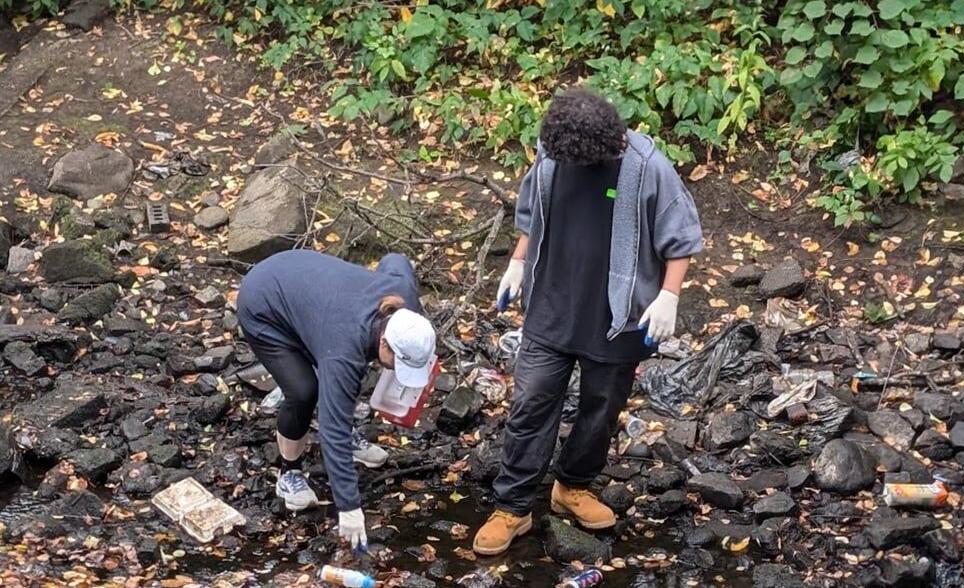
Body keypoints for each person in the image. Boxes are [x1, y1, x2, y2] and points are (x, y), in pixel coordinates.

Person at [473, 88, 704, 555]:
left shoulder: (647, 166)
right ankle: (513, 507)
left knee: (601, 409)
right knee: (531, 404)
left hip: (618, 316)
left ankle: (572, 486)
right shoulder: (553, 153)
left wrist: (669, 295)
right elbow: (532, 213)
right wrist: (517, 262)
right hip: (551, 303)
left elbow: (680, 236)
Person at [237, 250, 437, 551]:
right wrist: (349, 506)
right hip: (264, 301)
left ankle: (346, 442)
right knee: (304, 391)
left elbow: (395, 259)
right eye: (399, 363)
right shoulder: (344, 349)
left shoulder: (405, 300)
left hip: (309, 287)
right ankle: (289, 472)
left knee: (340, 381)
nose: (398, 370)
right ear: (384, 342)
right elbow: (332, 430)